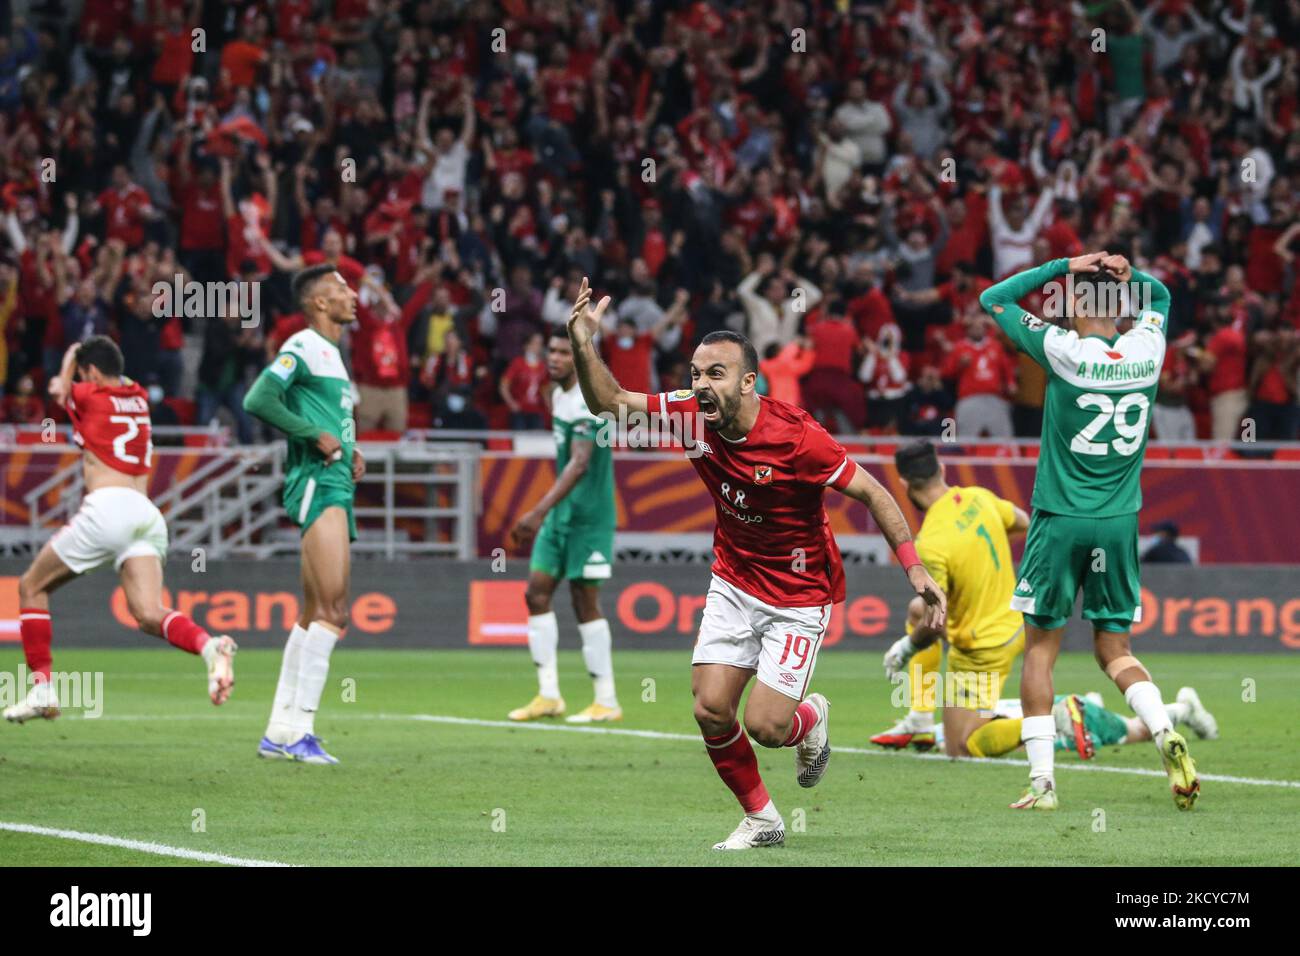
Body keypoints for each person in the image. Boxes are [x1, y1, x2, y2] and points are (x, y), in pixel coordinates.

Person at [566, 277, 946, 850]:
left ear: (748, 381)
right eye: (695, 374)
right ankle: (763, 819)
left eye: (714, 374)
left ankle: (809, 720)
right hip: (734, 580)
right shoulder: (690, 415)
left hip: (797, 593)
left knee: (768, 727)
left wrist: (914, 569)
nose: (699, 386)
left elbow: (874, 493)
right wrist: (583, 342)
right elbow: (610, 403)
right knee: (711, 708)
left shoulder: (798, 438)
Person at [979, 251, 1199, 811]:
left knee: (1040, 652)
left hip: (1059, 518)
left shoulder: (1062, 351)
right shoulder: (1149, 349)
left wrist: (1060, 263)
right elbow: (1163, 299)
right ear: (1122, 304)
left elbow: (994, 299)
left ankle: (1044, 783)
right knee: (1116, 648)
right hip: (1120, 522)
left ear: (1076, 302)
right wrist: (1134, 278)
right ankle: (1161, 728)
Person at [5, 337, 236, 723]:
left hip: (108, 507)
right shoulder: (139, 398)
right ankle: (209, 646)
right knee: (147, 613)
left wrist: (71, 359)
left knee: (31, 587)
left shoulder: (89, 394)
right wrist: (90, 359)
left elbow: (59, 390)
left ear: (91, 373)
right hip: (146, 513)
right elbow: (114, 375)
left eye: (84, 374)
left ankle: (43, 689)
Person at [242, 266, 365, 764]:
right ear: (318, 303)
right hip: (317, 480)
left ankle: (279, 731)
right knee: (334, 611)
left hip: (334, 479)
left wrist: (349, 446)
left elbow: (328, 416)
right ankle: (301, 733)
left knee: (314, 612)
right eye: (340, 290)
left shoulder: (331, 354)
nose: (351, 295)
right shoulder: (303, 344)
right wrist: (312, 435)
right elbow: (258, 398)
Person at [872, 442, 1029, 756]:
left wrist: (905, 648)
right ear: (941, 469)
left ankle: (1055, 718)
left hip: (982, 648)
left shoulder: (932, 542)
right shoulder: (978, 497)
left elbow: (936, 620)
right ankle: (920, 718)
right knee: (917, 610)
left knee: (960, 747)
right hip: (1013, 622)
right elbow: (1024, 521)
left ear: (904, 484)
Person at [506, 330, 620, 724]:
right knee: (536, 594)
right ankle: (549, 695)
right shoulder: (559, 397)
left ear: (581, 359)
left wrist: (535, 511)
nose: (551, 358)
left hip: (589, 518)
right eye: (549, 350)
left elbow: (580, 463)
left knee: (584, 602)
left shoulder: (591, 403)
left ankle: (606, 700)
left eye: (561, 352)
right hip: (560, 517)